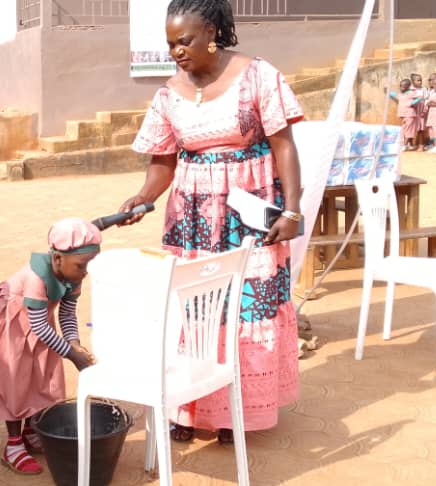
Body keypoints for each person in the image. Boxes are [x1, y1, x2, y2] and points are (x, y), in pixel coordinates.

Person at [120, 0, 301, 446]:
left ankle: (233, 412)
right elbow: (163, 161)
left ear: (212, 33)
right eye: (170, 44)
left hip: (249, 215)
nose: (176, 51)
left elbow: (284, 146)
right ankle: (187, 405)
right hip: (193, 220)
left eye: (185, 41)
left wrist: (292, 211)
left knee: (244, 309)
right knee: (194, 310)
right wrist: (142, 198)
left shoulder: (258, 76)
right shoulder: (167, 94)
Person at [0, 218, 100, 475]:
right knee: (15, 383)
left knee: (38, 379)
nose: (86, 272)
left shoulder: (73, 274)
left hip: (38, 330)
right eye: (82, 265)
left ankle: (30, 431)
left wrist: (74, 345)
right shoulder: (37, 276)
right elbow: (37, 325)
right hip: (11, 329)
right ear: (57, 259)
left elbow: (67, 314)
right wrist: (70, 355)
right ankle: (13, 445)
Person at [390, 79, 422, 150]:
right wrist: (388, 92)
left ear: (408, 87)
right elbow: (395, 95)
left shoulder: (411, 93)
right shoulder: (401, 94)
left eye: (403, 87)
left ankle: (404, 145)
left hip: (410, 115)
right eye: (400, 86)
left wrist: (412, 103)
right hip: (403, 115)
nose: (401, 88)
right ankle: (409, 145)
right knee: (405, 130)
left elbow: (420, 97)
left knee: (408, 130)